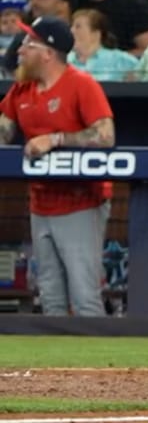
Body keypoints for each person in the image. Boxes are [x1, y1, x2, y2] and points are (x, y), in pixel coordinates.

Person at [0, 16, 116, 316]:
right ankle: (59, 365)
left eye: (27, 44)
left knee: (84, 296)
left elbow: (105, 136)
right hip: (40, 203)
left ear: (47, 53)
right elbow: (3, 131)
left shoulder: (81, 85)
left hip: (81, 203)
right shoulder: (21, 90)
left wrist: (56, 139)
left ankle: (100, 364)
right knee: (49, 295)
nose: (20, 50)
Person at [65, 9, 138, 82]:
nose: (72, 31)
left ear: (96, 34)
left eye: (78, 27)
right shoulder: (62, 61)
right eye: (71, 26)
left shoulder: (121, 61)